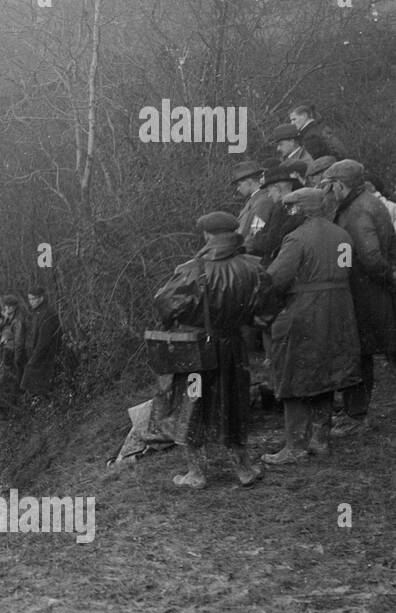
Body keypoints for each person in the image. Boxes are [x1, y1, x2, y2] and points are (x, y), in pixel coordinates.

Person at [149, 212, 270, 489]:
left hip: (198, 351)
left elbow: (164, 302)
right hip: (235, 347)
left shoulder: (192, 269)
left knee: (192, 406)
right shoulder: (253, 267)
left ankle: (197, 473)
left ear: (206, 236)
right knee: (235, 404)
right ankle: (244, 469)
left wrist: (179, 321)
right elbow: (265, 310)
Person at [261, 188, 362, 464]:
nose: (287, 212)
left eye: (290, 208)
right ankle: (321, 440)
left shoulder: (295, 238)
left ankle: (295, 447)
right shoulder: (342, 234)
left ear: (301, 209)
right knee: (327, 371)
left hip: (305, 310)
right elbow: (347, 270)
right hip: (340, 310)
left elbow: (276, 279)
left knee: (293, 374)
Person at [321, 159, 396, 436]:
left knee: (359, 353)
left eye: (330, 186)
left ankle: (357, 416)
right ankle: (356, 412)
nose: (329, 192)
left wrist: (388, 277)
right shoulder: (366, 201)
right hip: (373, 291)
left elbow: (371, 257)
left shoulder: (356, 211)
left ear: (341, 185)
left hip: (365, 293)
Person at [20, 286, 61, 399]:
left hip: (48, 358)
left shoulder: (47, 314)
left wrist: (34, 359)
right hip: (42, 357)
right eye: (29, 299)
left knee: (41, 389)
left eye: (33, 299)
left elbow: (44, 341)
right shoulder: (38, 313)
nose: (30, 302)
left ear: (41, 298)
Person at [231, 159, 267, 239]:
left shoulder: (263, 201)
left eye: (239, 185)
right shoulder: (255, 199)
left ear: (249, 181)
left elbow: (255, 233)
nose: (238, 189)